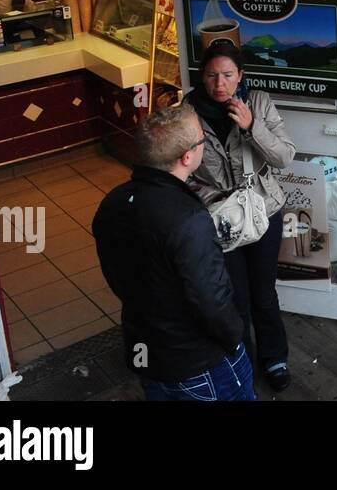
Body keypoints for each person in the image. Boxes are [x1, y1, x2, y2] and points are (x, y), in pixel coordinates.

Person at [93, 106, 254, 401]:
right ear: (188, 157)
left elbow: (116, 276)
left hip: (144, 351)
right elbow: (210, 298)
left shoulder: (111, 203)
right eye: (202, 139)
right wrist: (235, 337)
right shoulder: (187, 218)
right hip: (197, 361)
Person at [187, 40, 297, 392]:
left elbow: (284, 156)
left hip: (263, 209)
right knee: (236, 297)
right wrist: (210, 197)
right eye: (212, 76)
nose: (220, 84)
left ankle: (275, 358)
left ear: (241, 76)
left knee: (264, 291)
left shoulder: (259, 102)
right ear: (202, 78)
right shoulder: (187, 112)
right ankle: (242, 363)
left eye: (228, 75)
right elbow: (181, 170)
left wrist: (252, 127)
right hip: (219, 218)